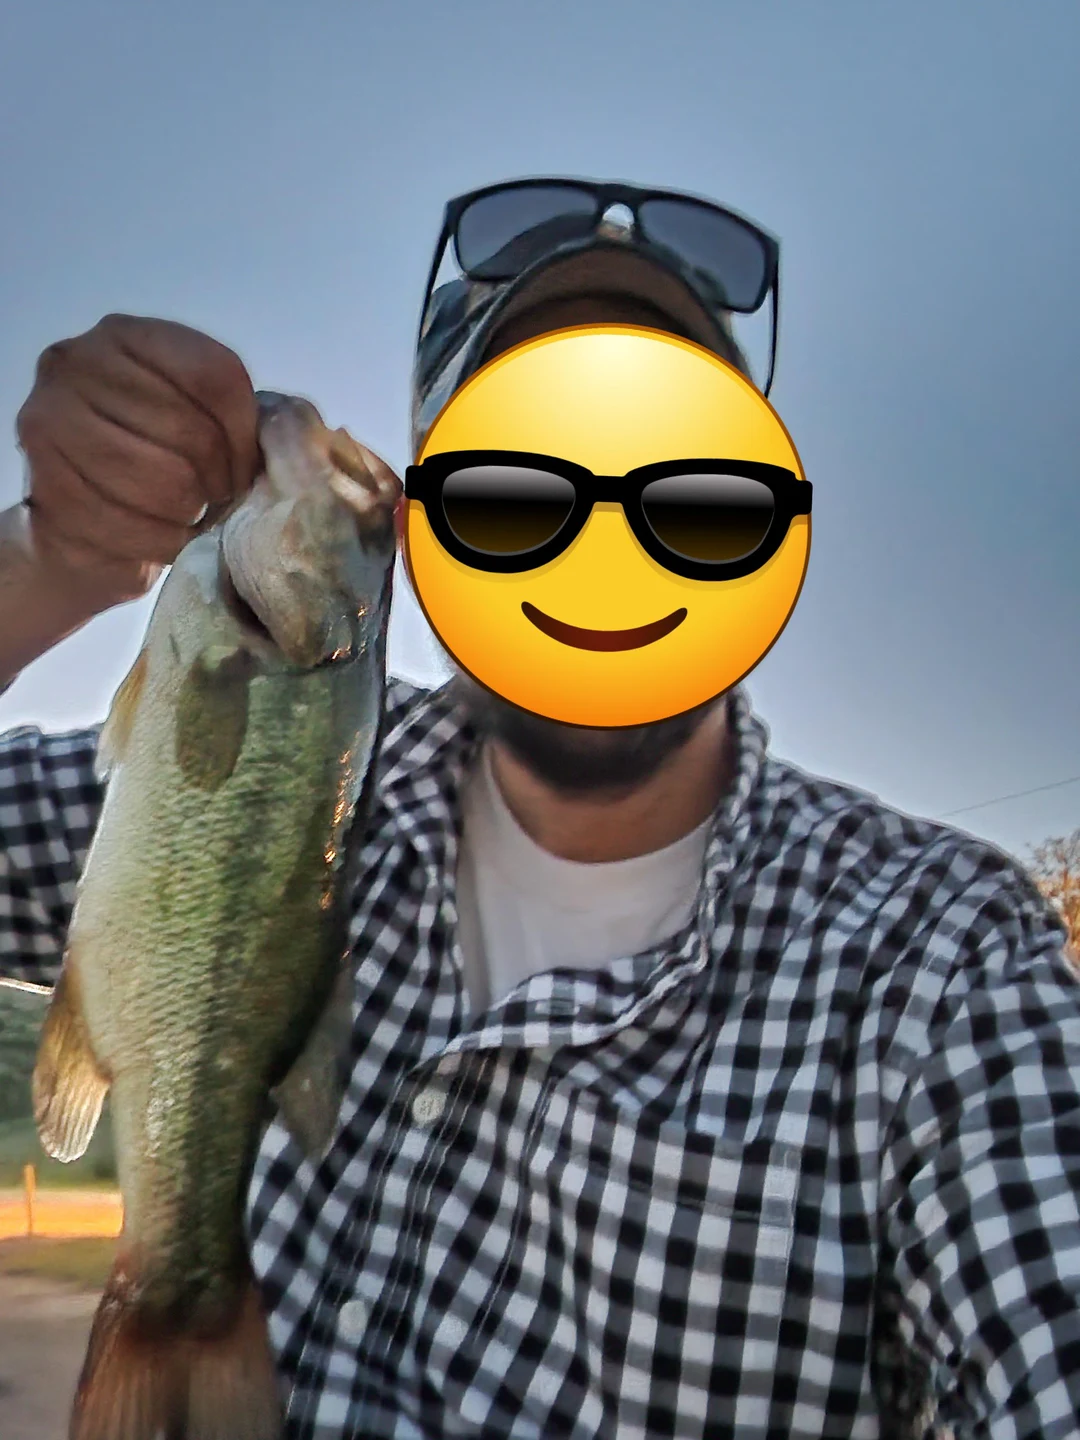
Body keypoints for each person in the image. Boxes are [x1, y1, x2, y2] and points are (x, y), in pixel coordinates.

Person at [1, 177, 1078, 1440]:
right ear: (433, 526)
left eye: (690, 508)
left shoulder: (945, 961)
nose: (599, 553)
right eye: (517, 499)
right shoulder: (289, 773)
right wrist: (42, 565)